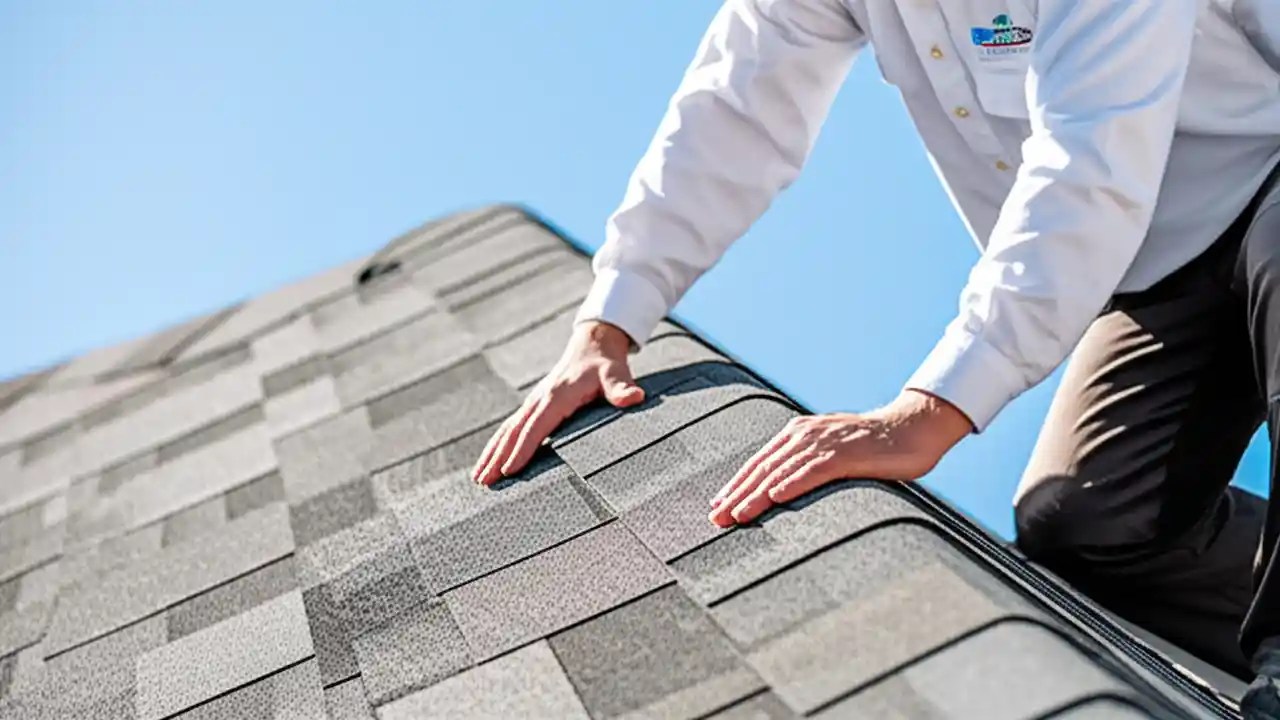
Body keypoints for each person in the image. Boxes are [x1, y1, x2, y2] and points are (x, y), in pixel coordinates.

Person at [470, 1, 1280, 713]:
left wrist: (925, 414)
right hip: (1149, 263)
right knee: (1086, 523)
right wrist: (612, 317)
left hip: (1265, 168)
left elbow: (1090, 163)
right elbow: (734, 104)